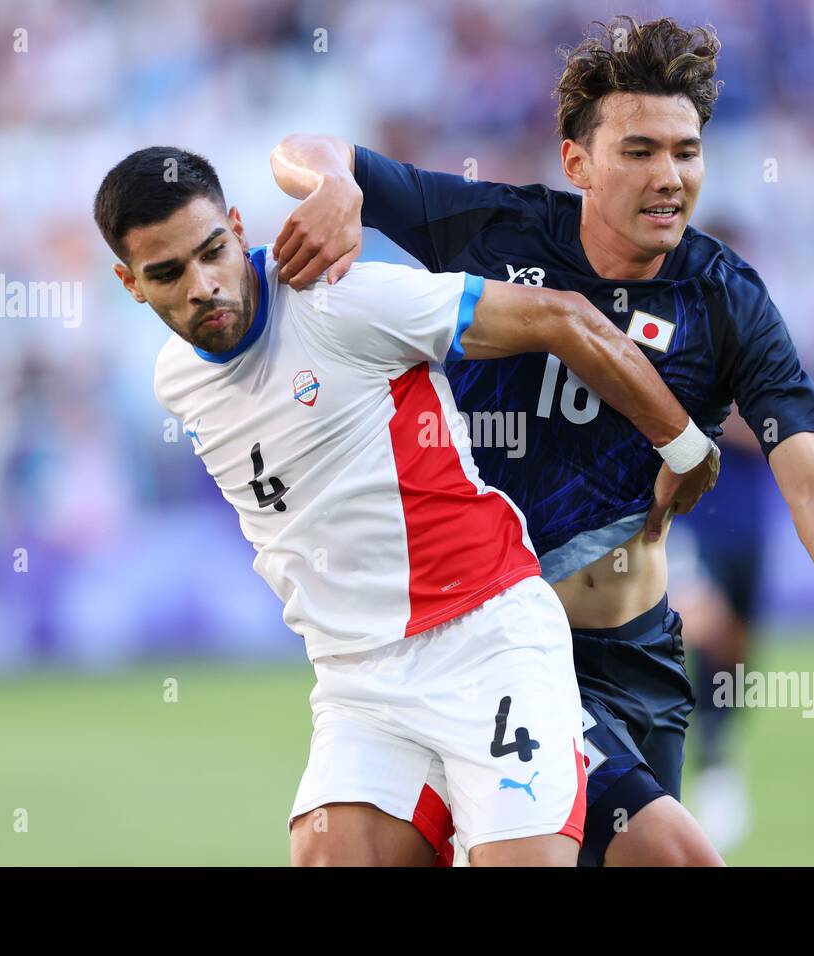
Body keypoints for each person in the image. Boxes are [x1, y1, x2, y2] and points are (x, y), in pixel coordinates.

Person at [270, 15, 814, 866]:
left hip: (634, 658)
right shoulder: (495, 229)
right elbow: (308, 146)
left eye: (687, 152)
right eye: (641, 151)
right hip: (487, 638)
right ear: (576, 162)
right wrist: (334, 186)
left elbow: (811, 477)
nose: (670, 177)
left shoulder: (726, 300)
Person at [92, 145, 719, 866]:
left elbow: (563, 317)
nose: (203, 286)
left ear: (238, 227)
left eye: (213, 252)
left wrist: (683, 444)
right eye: (168, 273)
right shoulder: (176, 380)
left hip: (484, 637)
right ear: (130, 283)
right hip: (358, 679)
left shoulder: (342, 300)